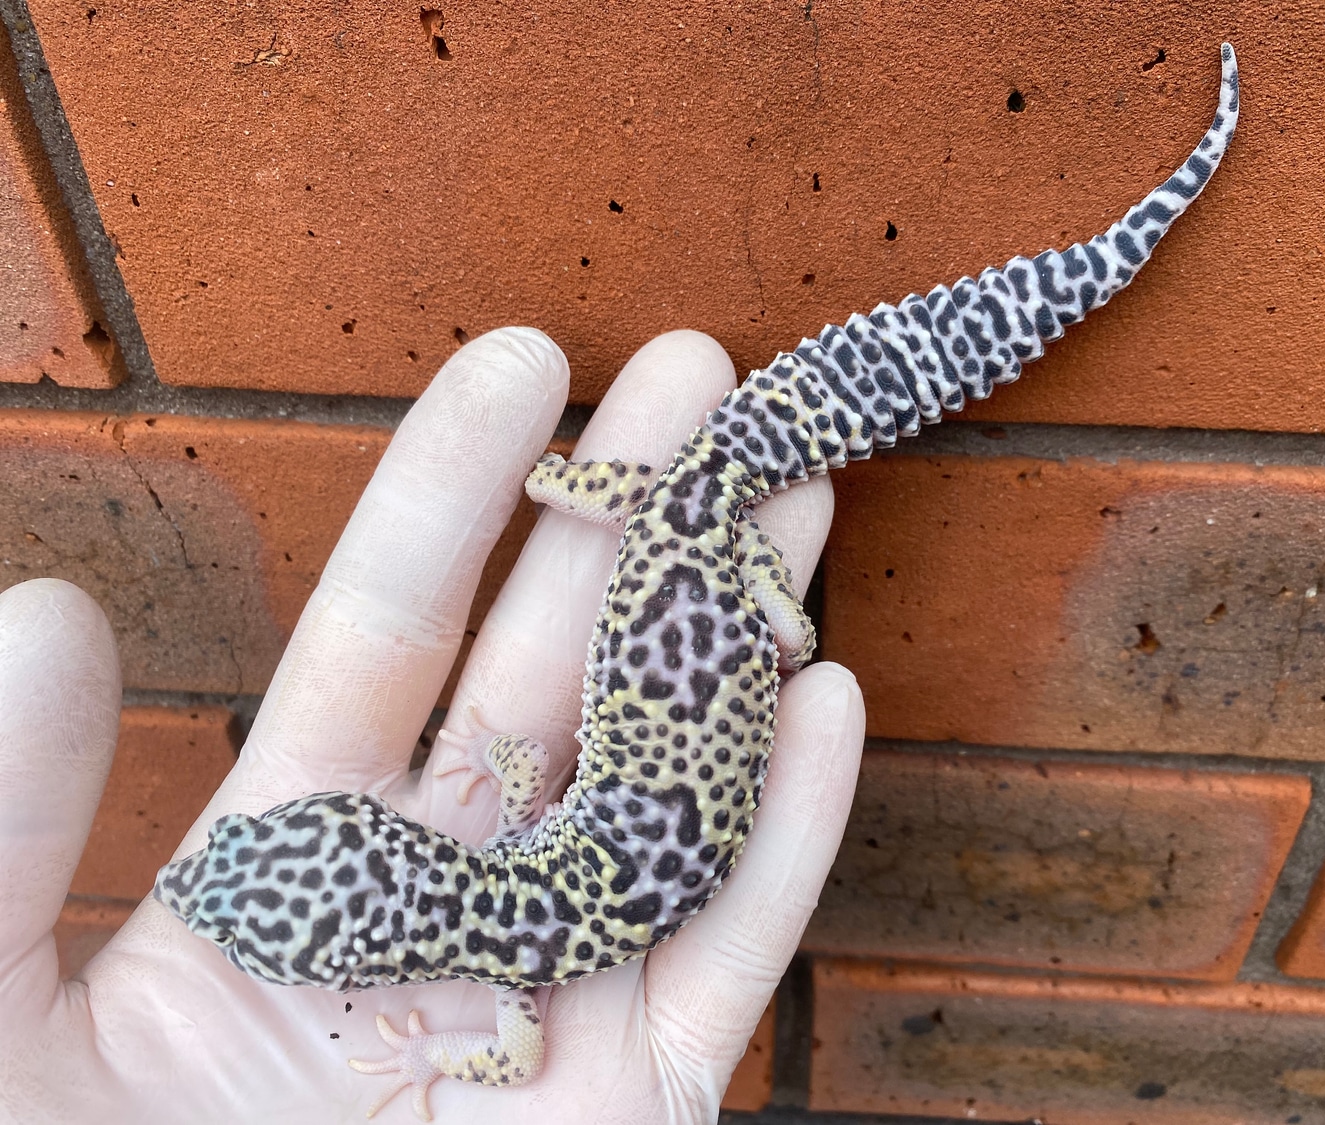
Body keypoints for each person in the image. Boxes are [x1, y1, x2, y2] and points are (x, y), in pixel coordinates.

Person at [0, 327, 866, 1122]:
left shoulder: (516, 963)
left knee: (764, 613)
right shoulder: (512, 861)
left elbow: (517, 1057)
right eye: (233, 919)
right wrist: (496, 757)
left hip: (709, 596)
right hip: (680, 545)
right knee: (633, 509)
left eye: (239, 845)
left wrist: (427, 1057)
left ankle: (755, 575)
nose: (177, 879)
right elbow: (518, 766)